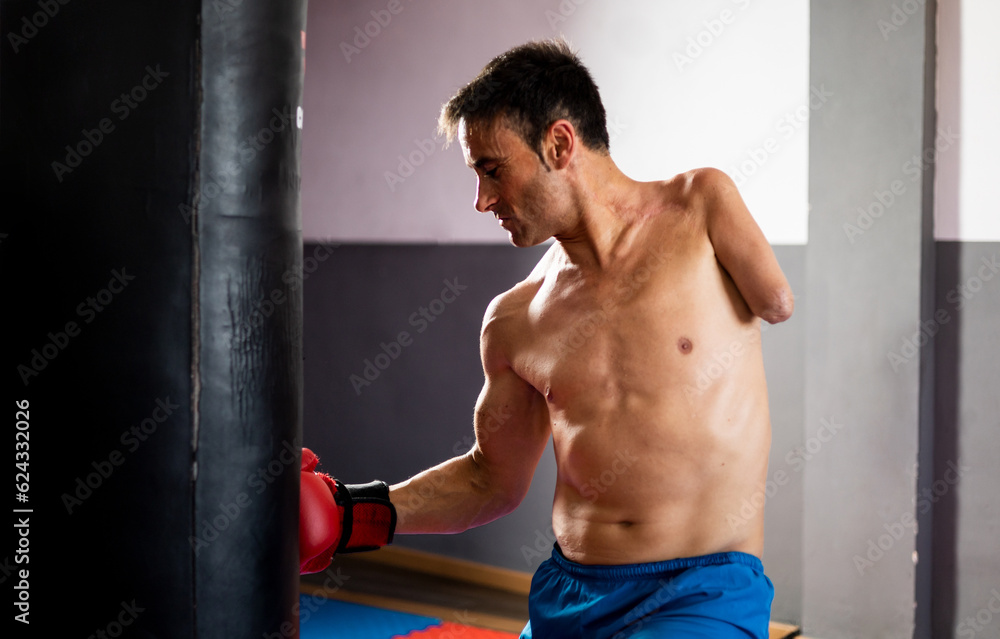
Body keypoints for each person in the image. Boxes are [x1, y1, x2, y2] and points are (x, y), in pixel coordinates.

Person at [300, 38, 794, 638]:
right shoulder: (515, 318)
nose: (482, 201)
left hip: (701, 591)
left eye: (492, 170)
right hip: (568, 595)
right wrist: (353, 513)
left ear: (559, 144)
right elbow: (489, 481)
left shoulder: (701, 207)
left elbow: (776, 302)